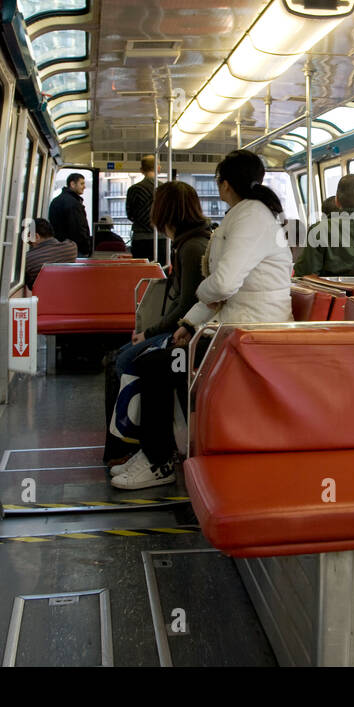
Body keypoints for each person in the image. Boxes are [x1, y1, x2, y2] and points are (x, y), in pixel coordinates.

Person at [112, 150, 293, 490]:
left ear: (224, 184)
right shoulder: (245, 214)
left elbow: (222, 285)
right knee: (157, 362)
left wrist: (202, 304)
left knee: (156, 366)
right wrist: (189, 324)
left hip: (251, 337)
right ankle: (156, 453)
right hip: (236, 327)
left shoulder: (249, 217)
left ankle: (158, 461)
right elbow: (222, 292)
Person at [105, 183, 212, 466]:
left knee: (126, 361)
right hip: (184, 325)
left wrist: (149, 332)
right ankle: (123, 441)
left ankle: (130, 445)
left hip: (190, 331)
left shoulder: (191, 247)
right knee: (119, 358)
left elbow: (186, 305)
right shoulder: (189, 243)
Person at [24, 218, 77, 291]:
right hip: (69, 293)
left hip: (43, 298)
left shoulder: (29, 258)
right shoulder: (71, 247)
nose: (30, 244)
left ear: (36, 236)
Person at [48, 173, 92, 257]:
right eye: (81, 183)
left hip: (59, 248)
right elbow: (79, 229)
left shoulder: (56, 200)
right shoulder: (73, 204)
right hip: (74, 249)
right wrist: (86, 248)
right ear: (72, 184)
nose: (84, 187)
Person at [126, 155, 159, 263]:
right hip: (161, 238)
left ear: (141, 170)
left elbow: (130, 214)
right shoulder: (164, 189)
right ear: (158, 168)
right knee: (160, 273)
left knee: (140, 270)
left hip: (140, 238)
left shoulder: (134, 189)